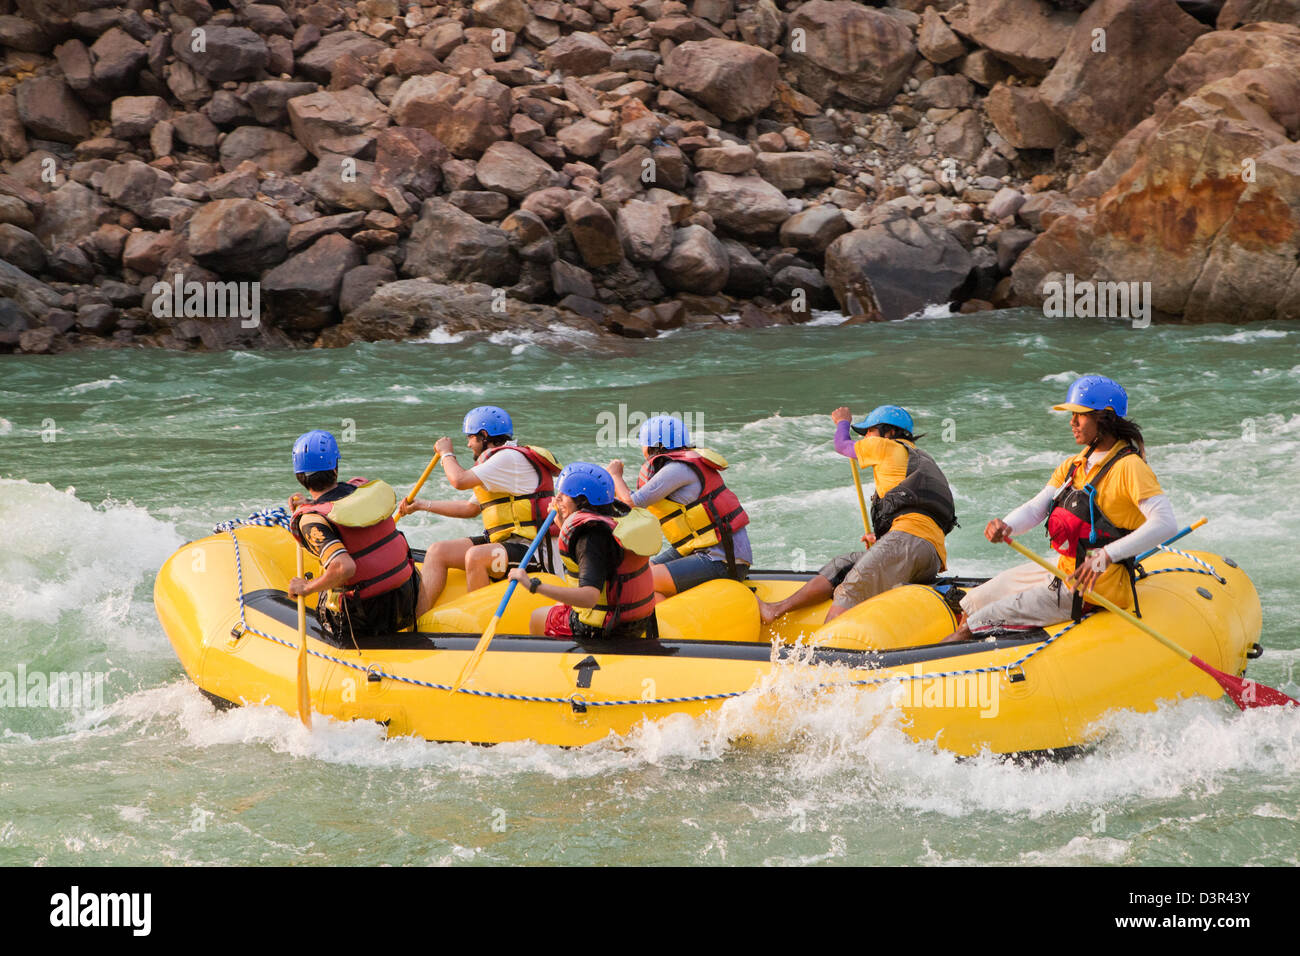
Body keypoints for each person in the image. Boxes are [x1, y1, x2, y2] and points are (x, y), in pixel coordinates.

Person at [944, 375, 1177, 642]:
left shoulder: (1130, 467)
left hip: (1095, 585)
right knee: (971, 602)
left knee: (973, 625)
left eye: (1080, 415)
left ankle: (917, 670)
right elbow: (1036, 508)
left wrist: (1107, 555)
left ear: (1105, 418)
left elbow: (1165, 523)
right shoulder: (1074, 465)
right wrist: (1006, 525)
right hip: (1063, 569)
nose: (1072, 422)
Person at [757, 404, 956, 625]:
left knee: (849, 590)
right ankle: (776, 609)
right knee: (842, 565)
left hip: (906, 542)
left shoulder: (885, 447)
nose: (867, 438)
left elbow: (842, 445)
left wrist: (843, 421)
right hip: (930, 556)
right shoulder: (922, 459)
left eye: (870, 431)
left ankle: (823, 651)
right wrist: (882, 542)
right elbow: (918, 516)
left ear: (889, 432)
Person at [397, 406, 561, 616]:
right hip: (509, 544)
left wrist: (447, 452)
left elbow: (459, 480)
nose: (468, 444)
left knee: (476, 556)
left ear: (484, 436)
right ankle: (416, 623)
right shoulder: (497, 463)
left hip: (535, 551)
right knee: (438, 551)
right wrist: (421, 505)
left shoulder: (509, 459)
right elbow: (470, 508)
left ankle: (475, 626)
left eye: (471, 437)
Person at [287, 429, 420, 640]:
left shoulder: (311, 520)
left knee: (323, 594)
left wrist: (307, 587)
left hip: (365, 617)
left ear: (300, 477)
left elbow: (344, 567)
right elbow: (339, 502)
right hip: (406, 595)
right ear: (335, 468)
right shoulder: (363, 488)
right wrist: (310, 505)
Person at [508, 462, 662, 641]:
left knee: (538, 616)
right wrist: (562, 521)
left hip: (605, 628)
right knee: (561, 604)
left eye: (563, 496)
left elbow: (589, 597)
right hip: (639, 620)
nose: (556, 500)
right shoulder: (612, 519)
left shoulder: (589, 539)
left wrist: (533, 585)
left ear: (581, 501)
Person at [606, 415, 753, 600]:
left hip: (722, 561)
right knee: (642, 570)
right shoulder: (681, 464)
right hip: (699, 549)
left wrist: (614, 475)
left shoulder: (677, 469)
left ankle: (660, 624)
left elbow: (629, 504)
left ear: (656, 445)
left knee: (635, 580)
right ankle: (662, 621)